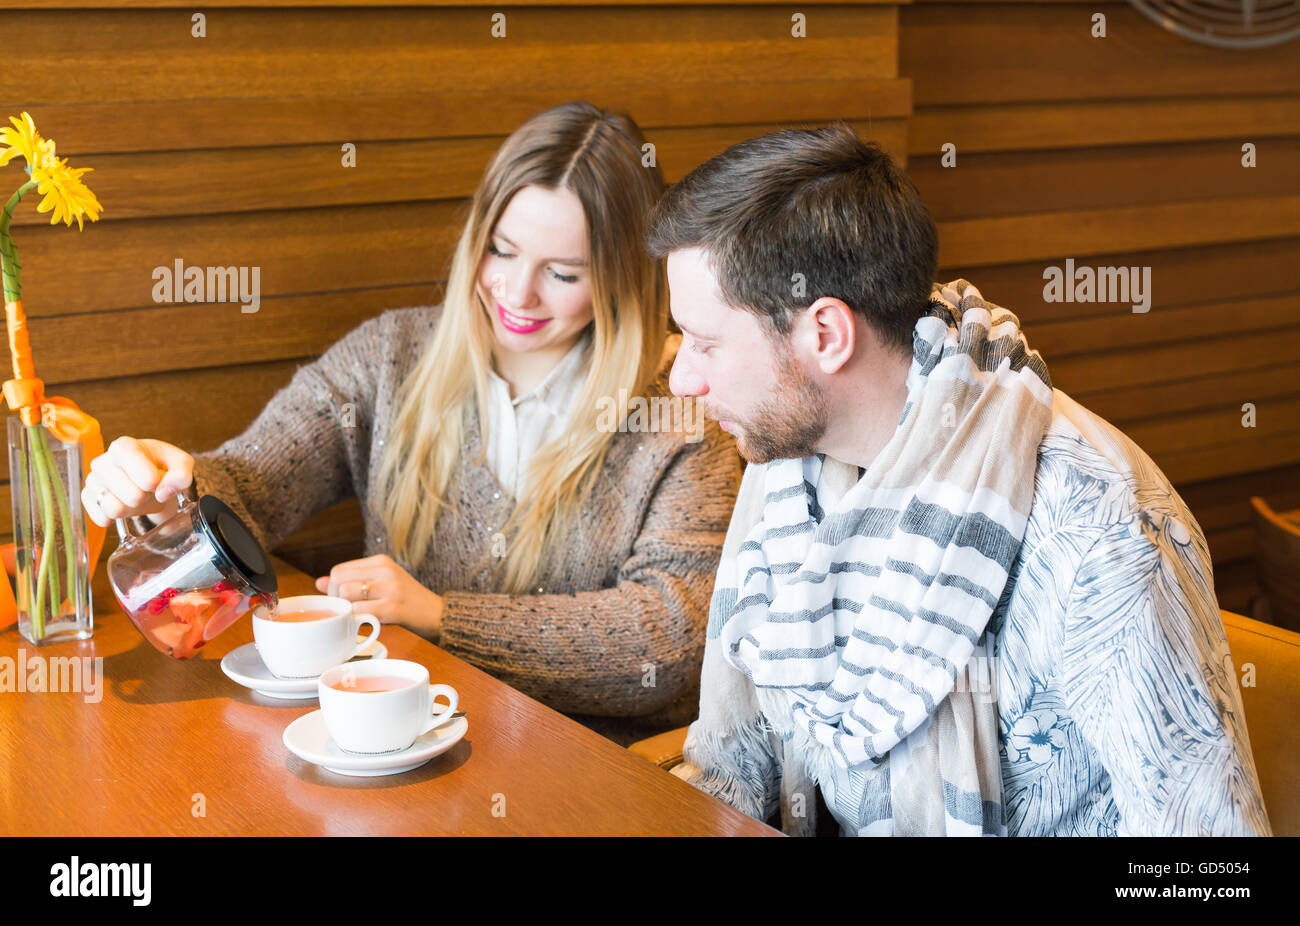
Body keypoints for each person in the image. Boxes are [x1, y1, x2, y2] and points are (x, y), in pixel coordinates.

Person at [645, 123, 1271, 835]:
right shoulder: (787, 467)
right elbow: (733, 765)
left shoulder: (1103, 530)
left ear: (826, 334)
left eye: (705, 343)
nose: (682, 376)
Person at [83, 102, 741, 746]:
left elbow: (671, 636)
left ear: (622, 278)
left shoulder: (681, 412)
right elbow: (253, 484)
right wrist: (176, 483)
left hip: (589, 771)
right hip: (393, 745)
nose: (516, 293)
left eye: (563, 273)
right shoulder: (392, 356)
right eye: (501, 251)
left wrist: (441, 617)